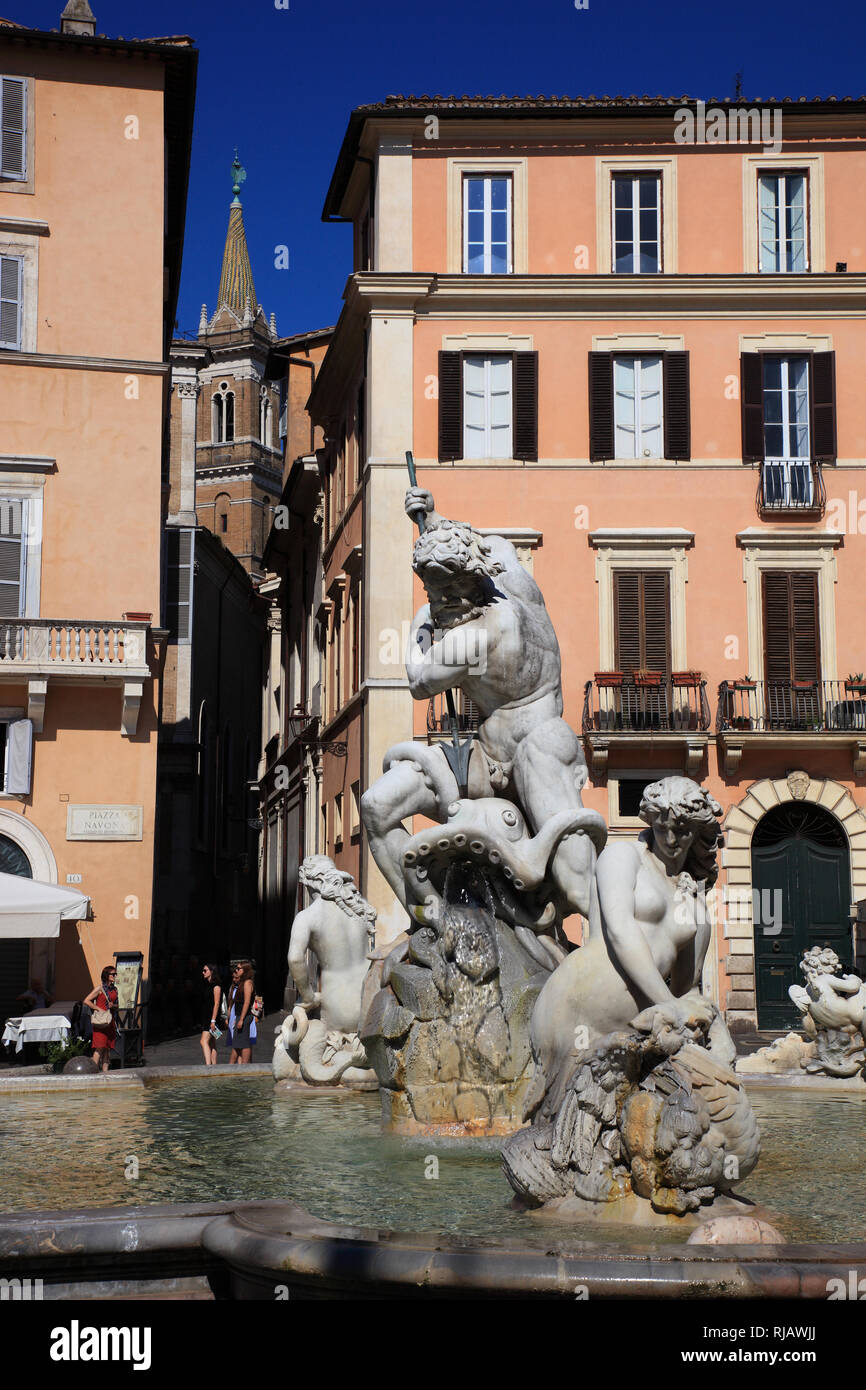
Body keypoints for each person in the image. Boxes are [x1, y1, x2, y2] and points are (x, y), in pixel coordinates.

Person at [83, 965, 118, 1073]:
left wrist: (114, 1006)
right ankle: (92, 1072)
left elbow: (117, 1005)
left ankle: (105, 1073)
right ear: (107, 975)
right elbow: (86, 1000)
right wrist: (97, 1008)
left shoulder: (115, 989)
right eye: (113, 974)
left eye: (115, 974)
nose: (115, 976)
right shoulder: (99, 989)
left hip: (109, 1021)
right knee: (99, 1047)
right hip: (100, 1022)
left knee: (107, 1048)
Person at [226, 960, 256, 1064]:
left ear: (245, 970)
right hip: (240, 1016)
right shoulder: (242, 983)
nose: (236, 970)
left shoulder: (247, 983)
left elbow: (246, 1002)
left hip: (245, 1016)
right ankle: (232, 1066)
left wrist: (241, 1019)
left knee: (244, 1044)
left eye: (239, 969)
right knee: (237, 1043)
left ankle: (245, 1066)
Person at [199, 963, 223, 1066]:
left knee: (203, 1041)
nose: (203, 972)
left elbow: (217, 1003)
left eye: (205, 970)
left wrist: (213, 1020)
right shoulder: (207, 985)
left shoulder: (216, 986)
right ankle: (214, 1066)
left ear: (211, 971)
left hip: (211, 1019)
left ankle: (208, 1066)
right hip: (207, 1017)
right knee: (212, 1043)